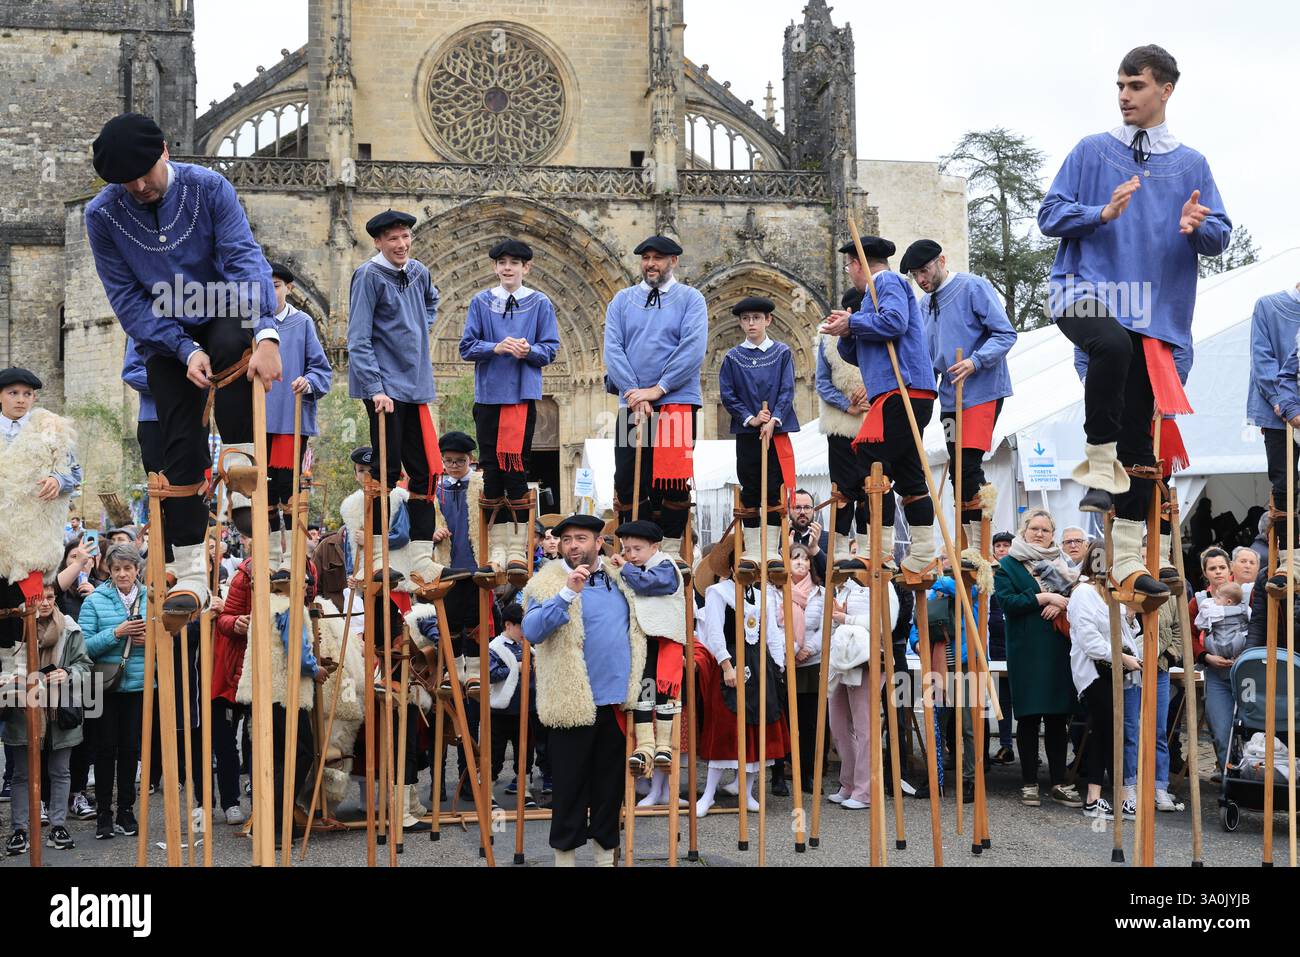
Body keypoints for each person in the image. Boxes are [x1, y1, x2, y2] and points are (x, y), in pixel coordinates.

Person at [1038, 45, 1231, 605]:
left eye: (1136, 86)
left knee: (1142, 444)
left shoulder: (1191, 164)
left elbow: (1220, 236)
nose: (1124, 95)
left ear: (1165, 90)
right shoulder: (1091, 150)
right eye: (1120, 85)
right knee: (1113, 347)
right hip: (1084, 292)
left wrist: (1199, 226)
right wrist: (1099, 213)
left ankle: (1126, 559)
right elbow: (1050, 214)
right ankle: (1099, 466)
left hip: (1159, 314)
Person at [86, 113, 282, 623]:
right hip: (161, 326)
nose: (139, 187)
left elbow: (243, 259)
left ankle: (240, 465)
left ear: (166, 151)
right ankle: (191, 565)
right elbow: (126, 298)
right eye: (125, 182)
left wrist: (265, 331)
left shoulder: (208, 187)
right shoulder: (102, 216)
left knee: (231, 348)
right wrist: (179, 347)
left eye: (145, 174)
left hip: (222, 303)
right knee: (177, 429)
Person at [521, 514, 648, 867]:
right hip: (570, 703)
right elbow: (531, 630)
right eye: (566, 540)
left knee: (609, 791)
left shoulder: (620, 577)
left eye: (581, 538)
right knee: (569, 789)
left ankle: (605, 860)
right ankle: (565, 861)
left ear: (598, 542)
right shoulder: (547, 581)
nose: (573, 545)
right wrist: (566, 593)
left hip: (616, 701)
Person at [819, 237, 937, 580]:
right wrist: (847, 329)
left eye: (849, 267)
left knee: (870, 458)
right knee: (910, 475)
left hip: (904, 391)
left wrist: (853, 324)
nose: (849, 274)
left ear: (858, 264)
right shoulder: (871, 297)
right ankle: (924, 553)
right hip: (897, 394)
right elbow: (855, 354)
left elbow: (896, 323)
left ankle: (878, 550)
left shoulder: (885, 281)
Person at [347, 208, 451, 589]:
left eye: (405, 236)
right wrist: (376, 387)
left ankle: (423, 559)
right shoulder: (368, 276)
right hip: (385, 390)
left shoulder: (419, 271)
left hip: (416, 384)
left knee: (424, 471)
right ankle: (375, 556)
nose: (401, 244)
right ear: (378, 242)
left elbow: (431, 301)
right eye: (393, 238)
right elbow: (357, 338)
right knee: (387, 471)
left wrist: (420, 328)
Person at [904, 238, 1016, 556]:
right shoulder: (923, 306)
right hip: (950, 399)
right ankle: (969, 543)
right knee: (956, 471)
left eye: (924, 271)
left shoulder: (973, 287)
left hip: (981, 391)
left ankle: (983, 544)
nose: (921, 279)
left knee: (968, 465)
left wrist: (975, 361)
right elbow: (925, 361)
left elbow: (1006, 333)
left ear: (942, 260)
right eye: (915, 275)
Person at [460, 240, 560, 582]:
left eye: (515, 263)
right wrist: (496, 346)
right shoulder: (480, 302)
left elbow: (550, 350)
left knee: (516, 471)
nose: (507, 268)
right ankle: (495, 550)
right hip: (489, 396)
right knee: (491, 473)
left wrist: (528, 349)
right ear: (494, 267)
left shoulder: (541, 303)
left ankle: (517, 549)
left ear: (526, 268)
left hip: (520, 397)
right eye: (501, 262)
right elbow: (467, 346)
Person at [604, 235, 708, 562]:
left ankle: (672, 551)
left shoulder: (691, 299)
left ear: (673, 261)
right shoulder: (621, 301)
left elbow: (692, 349)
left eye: (658, 258)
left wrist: (658, 389)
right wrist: (636, 393)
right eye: (646, 257)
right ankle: (635, 548)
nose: (651, 263)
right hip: (632, 404)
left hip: (675, 403)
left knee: (673, 480)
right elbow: (613, 349)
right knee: (628, 477)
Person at [234, 565, 333, 840]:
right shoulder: (290, 609)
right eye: (302, 583)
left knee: (277, 758)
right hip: (283, 693)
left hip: (263, 691)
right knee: (300, 754)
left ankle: (276, 823)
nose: (305, 588)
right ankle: (276, 822)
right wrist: (315, 670)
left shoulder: (263, 607)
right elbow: (296, 654)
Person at [993, 508, 1081, 808]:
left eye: (1045, 529)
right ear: (1024, 530)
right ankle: (1029, 782)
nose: (1039, 533)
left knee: (1057, 720)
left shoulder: (1064, 563)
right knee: (1029, 719)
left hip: (1058, 650)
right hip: (1026, 651)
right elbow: (1007, 602)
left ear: (1052, 534)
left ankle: (1058, 782)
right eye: (1034, 528)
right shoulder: (1009, 565)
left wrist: (1061, 604)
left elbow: (1078, 597)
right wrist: (1043, 598)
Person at [693, 552, 789, 816]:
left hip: (760, 666)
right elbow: (713, 631)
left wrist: (778, 666)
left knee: (756, 727)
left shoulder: (761, 595)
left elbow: (771, 633)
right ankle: (709, 794)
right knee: (725, 727)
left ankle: (746, 793)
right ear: (732, 567)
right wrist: (726, 665)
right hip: (731, 663)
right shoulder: (718, 592)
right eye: (744, 565)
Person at [1, 584, 93, 854]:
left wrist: (67, 673)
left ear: (56, 599)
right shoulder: (12, 626)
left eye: (50, 597)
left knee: (60, 771)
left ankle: (57, 826)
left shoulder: (69, 628)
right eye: (38, 597)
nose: (44, 603)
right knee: (21, 774)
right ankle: (19, 830)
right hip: (22, 708)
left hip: (59, 710)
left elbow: (85, 665)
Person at [0, 367, 82, 647]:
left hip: (32, 544)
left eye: (27, 394)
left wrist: (59, 480)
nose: (20, 399)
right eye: (13, 393)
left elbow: (76, 475)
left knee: (26, 625)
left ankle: (22, 678)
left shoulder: (52, 432)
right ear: (1, 396)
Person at [262, 261, 333, 582]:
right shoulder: (251, 321)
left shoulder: (302, 323)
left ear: (288, 288)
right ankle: (267, 555)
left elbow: (322, 370)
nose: (271, 290)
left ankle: (292, 556)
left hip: (290, 420)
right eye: (265, 284)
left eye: (276, 284)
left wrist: (308, 382)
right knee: (261, 492)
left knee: (288, 491)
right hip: (258, 421)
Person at [719, 297, 799, 574]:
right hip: (748, 430)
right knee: (751, 486)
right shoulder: (732, 357)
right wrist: (752, 418)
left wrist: (774, 418)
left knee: (774, 488)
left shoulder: (782, 353)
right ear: (740, 323)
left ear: (768, 320)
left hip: (775, 430)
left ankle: (770, 549)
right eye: (746, 319)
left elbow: (787, 389)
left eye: (756, 317)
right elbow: (728, 394)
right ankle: (753, 549)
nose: (751, 323)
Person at [79, 542, 148, 840]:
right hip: (102, 684)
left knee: (131, 750)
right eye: (117, 568)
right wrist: (116, 633)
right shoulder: (94, 601)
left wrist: (152, 642)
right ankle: (104, 814)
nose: (122, 574)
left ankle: (126, 811)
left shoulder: (151, 599)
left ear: (137, 570)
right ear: (108, 569)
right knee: (105, 750)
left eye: (128, 568)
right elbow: (82, 647)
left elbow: (168, 637)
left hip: (138, 684)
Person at [1067, 538, 1140, 820]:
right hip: (1094, 673)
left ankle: (1112, 796)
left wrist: (1130, 618)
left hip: (1119, 672)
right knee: (1106, 732)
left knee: (1113, 733)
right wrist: (1124, 658)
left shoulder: (1112, 592)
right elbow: (1090, 641)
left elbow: (1122, 634)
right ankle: (1095, 798)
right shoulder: (1083, 593)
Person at [608, 520, 686, 782]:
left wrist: (625, 568)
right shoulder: (636, 566)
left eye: (637, 549)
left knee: (664, 691)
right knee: (644, 688)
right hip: (642, 642)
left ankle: (663, 743)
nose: (631, 555)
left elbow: (646, 584)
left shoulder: (665, 566)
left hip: (665, 640)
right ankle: (645, 745)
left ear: (655, 547)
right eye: (627, 549)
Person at [827, 571, 899, 809]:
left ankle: (865, 790)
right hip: (841, 659)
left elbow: (885, 623)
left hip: (869, 660)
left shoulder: (884, 584)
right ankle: (847, 783)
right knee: (837, 724)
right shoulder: (846, 585)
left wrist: (847, 619)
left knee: (864, 726)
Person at [816, 288, 871, 575]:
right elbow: (822, 383)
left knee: (870, 489)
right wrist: (845, 405)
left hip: (872, 422)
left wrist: (870, 395)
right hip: (840, 423)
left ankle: (865, 550)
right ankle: (837, 551)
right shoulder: (827, 338)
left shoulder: (879, 335)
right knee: (841, 490)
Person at [1248, 281, 1300, 572]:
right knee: (1284, 485)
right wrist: (1285, 405)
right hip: (1277, 413)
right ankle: (1289, 559)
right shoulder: (1269, 306)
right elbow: (1262, 361)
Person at [1124, 599, 1186, 815]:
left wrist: (1168, 655)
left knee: (1158, 730)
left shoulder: (1166, 594)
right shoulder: (1124, 588)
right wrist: (1129, 616)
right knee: (1130, 729)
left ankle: (1159, 786)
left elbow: (1178, 629)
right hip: (1129, 669)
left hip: (1159, 668)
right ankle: (1128, 786)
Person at [778, 545, 824, 794]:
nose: (801, 563)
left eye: (805, 559)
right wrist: (793, 649)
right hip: (784, 662)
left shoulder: (820, 593)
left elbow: (826, 627)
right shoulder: (778, 591)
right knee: (782, 719)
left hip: (811, 663)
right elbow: (774, 625)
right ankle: (780, 772)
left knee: (809, 723)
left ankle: (807, 773)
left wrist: (809, 649)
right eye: (795, 558)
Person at [1189, 546, 1237, 771]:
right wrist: (1206, 656)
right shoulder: (1199, 601)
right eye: (1212, 568)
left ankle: (1251, 779)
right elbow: (1188, 634)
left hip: (1245, 672)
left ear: (1230, 569)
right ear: (1205, 573)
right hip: (1215, 673)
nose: (1218, 572)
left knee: (1250, 731)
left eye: (1221, 567)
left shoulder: (1246, 594)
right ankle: (1230, 784)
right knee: (1221, 730)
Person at [485, 603, 538, 807]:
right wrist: (515, 668)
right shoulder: (495, 647)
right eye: (522, 627)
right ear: (508, 625)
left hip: (526, 709)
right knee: (495, 755)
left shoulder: (527, 647)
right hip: (501, 711)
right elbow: (490, 674)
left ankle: (524, 791)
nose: (525, 632)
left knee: (524, 752)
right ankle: (488, 794)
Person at [788, 489, 830, 583]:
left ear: (813, 511)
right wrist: (787, 552)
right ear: (789, 511)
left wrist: (815, 549)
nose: (802, 512)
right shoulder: (780, 537)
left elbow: (830, 576)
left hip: (819, 596)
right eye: (797, 507)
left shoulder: (827, 538)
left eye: (807, 507)